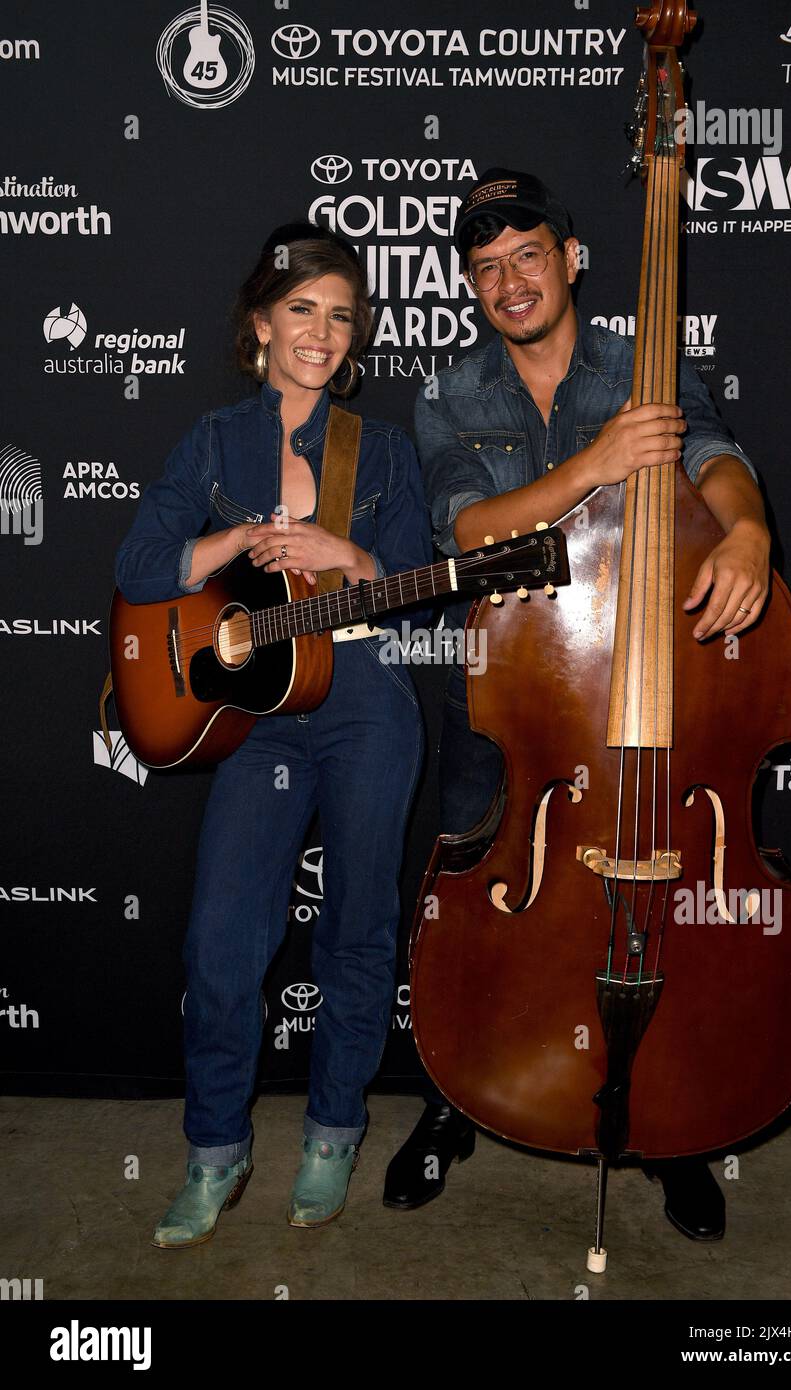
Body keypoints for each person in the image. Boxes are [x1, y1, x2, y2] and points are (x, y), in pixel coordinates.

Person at [384, 167, 772, 1242]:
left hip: (640, 701)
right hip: (509, 710)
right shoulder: (447, 392)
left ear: (569, 259)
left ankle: (670, 1125)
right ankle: (454, 1098)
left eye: (525, 255)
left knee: (668, 917)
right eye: (484, 266)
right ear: (470, 285)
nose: (508, 280)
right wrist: (597, 463)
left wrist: (745, 532)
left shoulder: (641, 367)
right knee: (480, 921)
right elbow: (468, 532)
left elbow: (715, 457)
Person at [115, 221, 431, 1246]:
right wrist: (236, 541)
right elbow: (139, 563)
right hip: (255, 718)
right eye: (302, 310)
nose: (321, 332)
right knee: (220, 940)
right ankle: (215, 1148)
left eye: (341, 317)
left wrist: (347, 555)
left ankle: (334, 1129)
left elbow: (420, 597)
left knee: (356, 929)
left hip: (364, 700)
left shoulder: (378, 449)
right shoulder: (214, 439)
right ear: (262, 323)